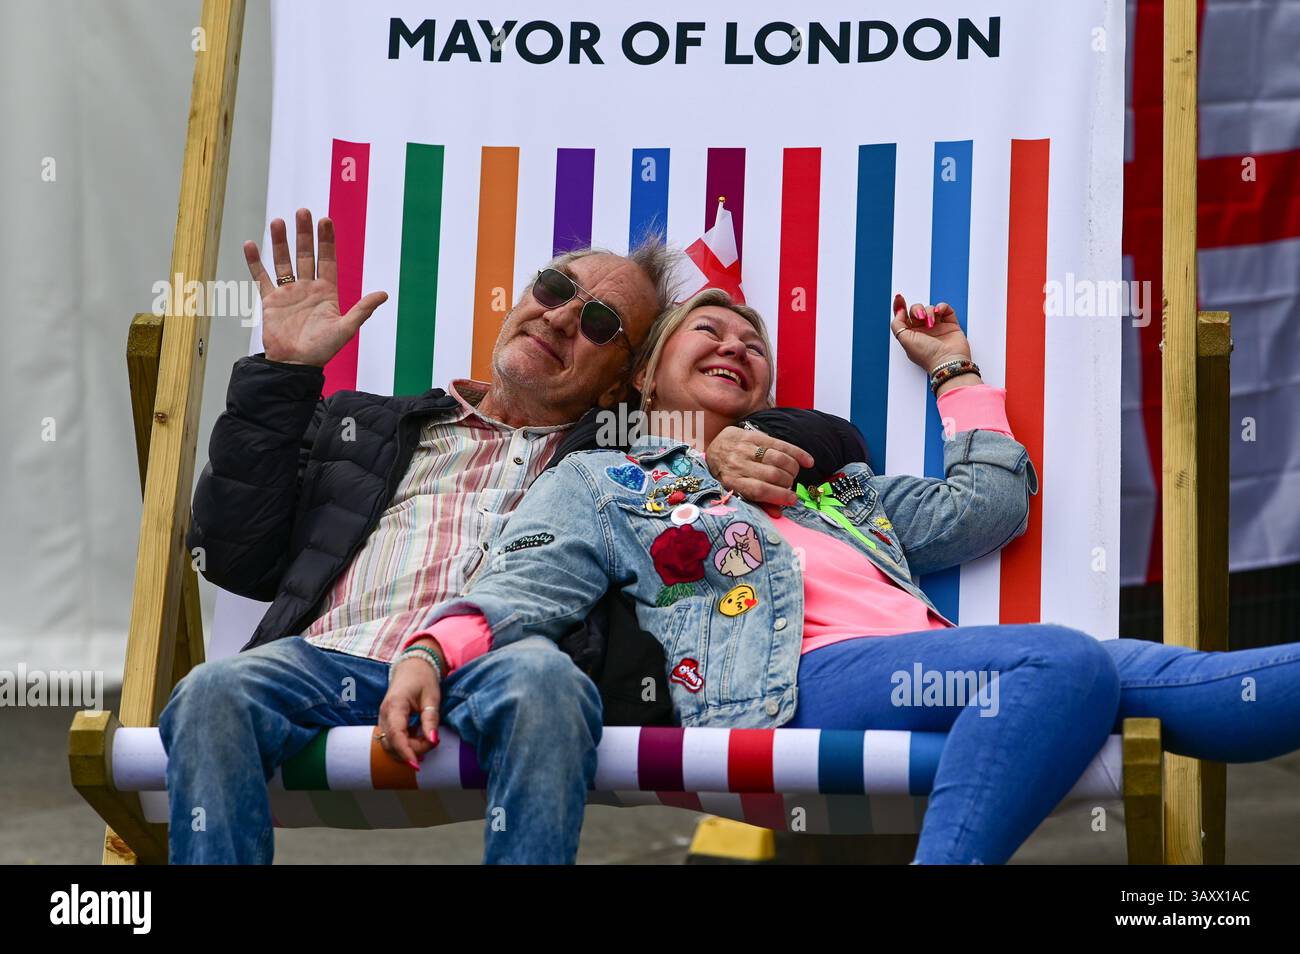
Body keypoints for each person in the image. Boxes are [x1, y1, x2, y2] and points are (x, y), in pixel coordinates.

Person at [387, 287, 1300, 864]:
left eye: (751, 345)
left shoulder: (830, 489)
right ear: (643, 387)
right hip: (787, 688)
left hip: (928, 674)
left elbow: (989, 507)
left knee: (1215, 686)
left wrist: (956, 371)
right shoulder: (608, 480)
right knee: (1064, 665)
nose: (736, 346)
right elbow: (526, 584)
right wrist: (435, 648)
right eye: (707, 330)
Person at [161, 210, 864, 864]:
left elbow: (833, 439)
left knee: (546, 681)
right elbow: (231, 551)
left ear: (623, 382)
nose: (560, 317)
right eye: (556, 287)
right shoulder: (366, 426)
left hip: (500, 664)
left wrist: (729, 443)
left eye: (597, 321)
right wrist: (283, 375)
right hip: (331, 656)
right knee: (210, 693)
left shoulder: (628, 452)